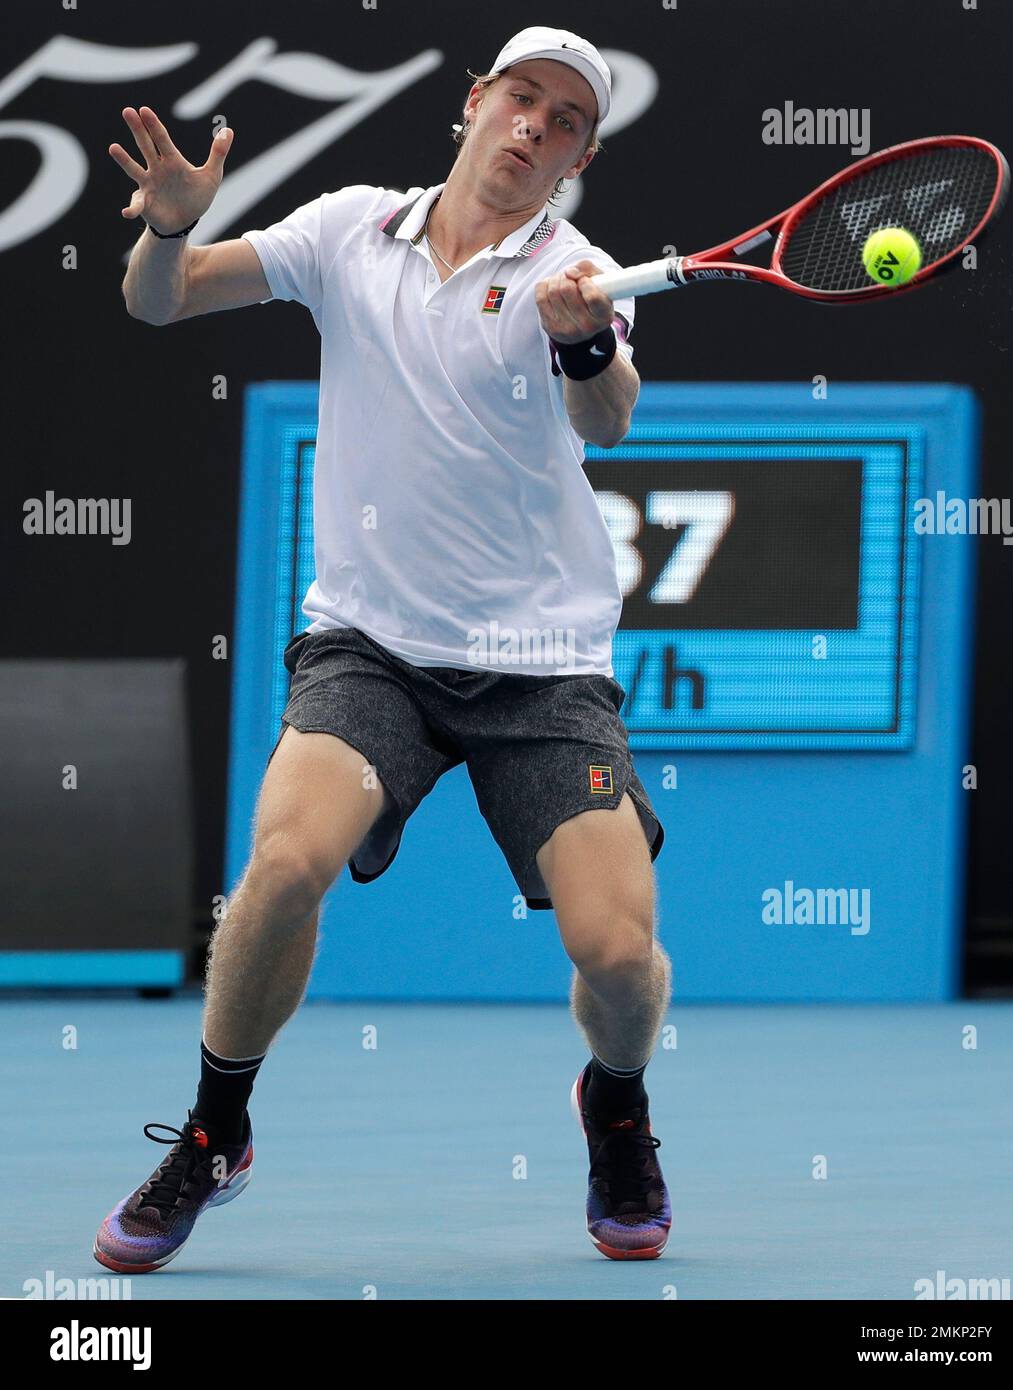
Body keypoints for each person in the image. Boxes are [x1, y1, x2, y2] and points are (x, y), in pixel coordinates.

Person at [95, 25, 672, 1272]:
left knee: (618, 954)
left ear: (578, 158)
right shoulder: (349, 228)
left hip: (542, 665)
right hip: (370, 647)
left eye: (565, 120)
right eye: (520, 97)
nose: (534, 126)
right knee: (282, 865)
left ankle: (615, 1101)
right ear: (472, 104)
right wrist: (168, 227)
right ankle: (214, 1126)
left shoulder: (580, 271)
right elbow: (160, 303)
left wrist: (580, 335)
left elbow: (609, 421)